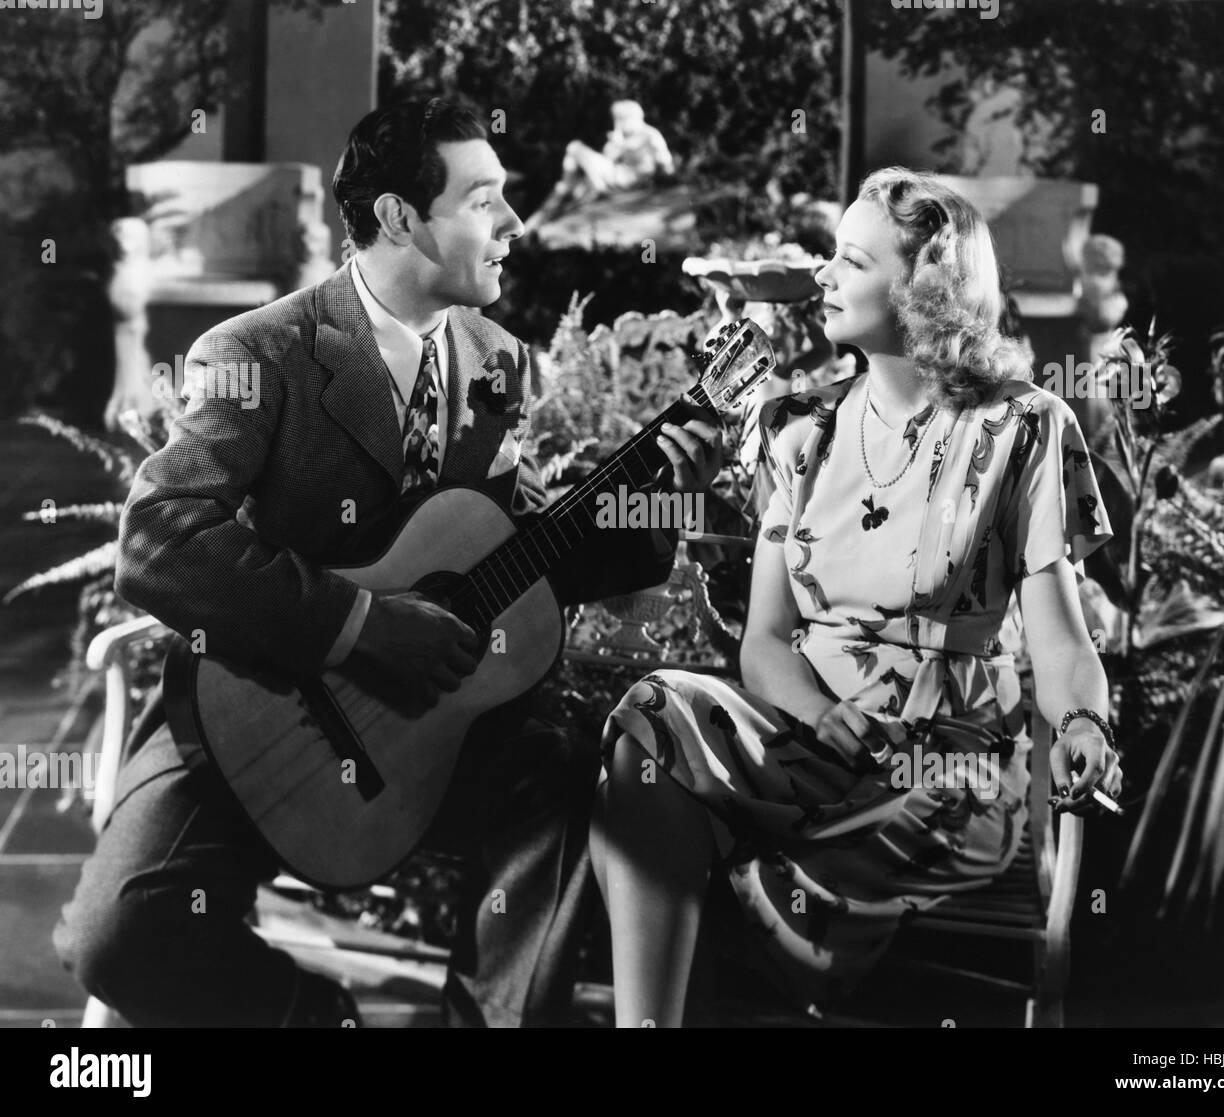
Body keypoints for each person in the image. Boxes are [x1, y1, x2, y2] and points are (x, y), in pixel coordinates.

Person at [53, 98, 722, 1028]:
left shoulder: (499, 363)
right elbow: (158, 539)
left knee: (566, 774)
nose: (515, 225)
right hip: (257, 710)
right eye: (485, 200)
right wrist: (360, 626)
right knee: (117, 932)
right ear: (402, 218)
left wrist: (662, 497)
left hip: (420, 743)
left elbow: (516, 552)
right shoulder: (260, 353)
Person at [589, 167, 1124, 1027]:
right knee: (652, 714)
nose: (822, 278)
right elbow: (764, 641)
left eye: (849, 261)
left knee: (697, 835)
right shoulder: (798, 431)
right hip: (807, 741)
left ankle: (785, 936)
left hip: (941, 765)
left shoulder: (1023, 427)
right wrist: (818, 713)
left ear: (923, 285)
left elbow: (1060, 639)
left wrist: (1085, 729)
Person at [521, 100, 675, 235]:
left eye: (620, 120)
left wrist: (661, 180)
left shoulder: (650, 135)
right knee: (581, 177)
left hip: (628, 179)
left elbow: (666, 163)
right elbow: (608, 158)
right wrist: (616, 142)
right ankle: (578, 186)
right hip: (619, 176)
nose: (619, 124)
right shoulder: (626, 135)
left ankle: (570, 182)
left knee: (574, 147)